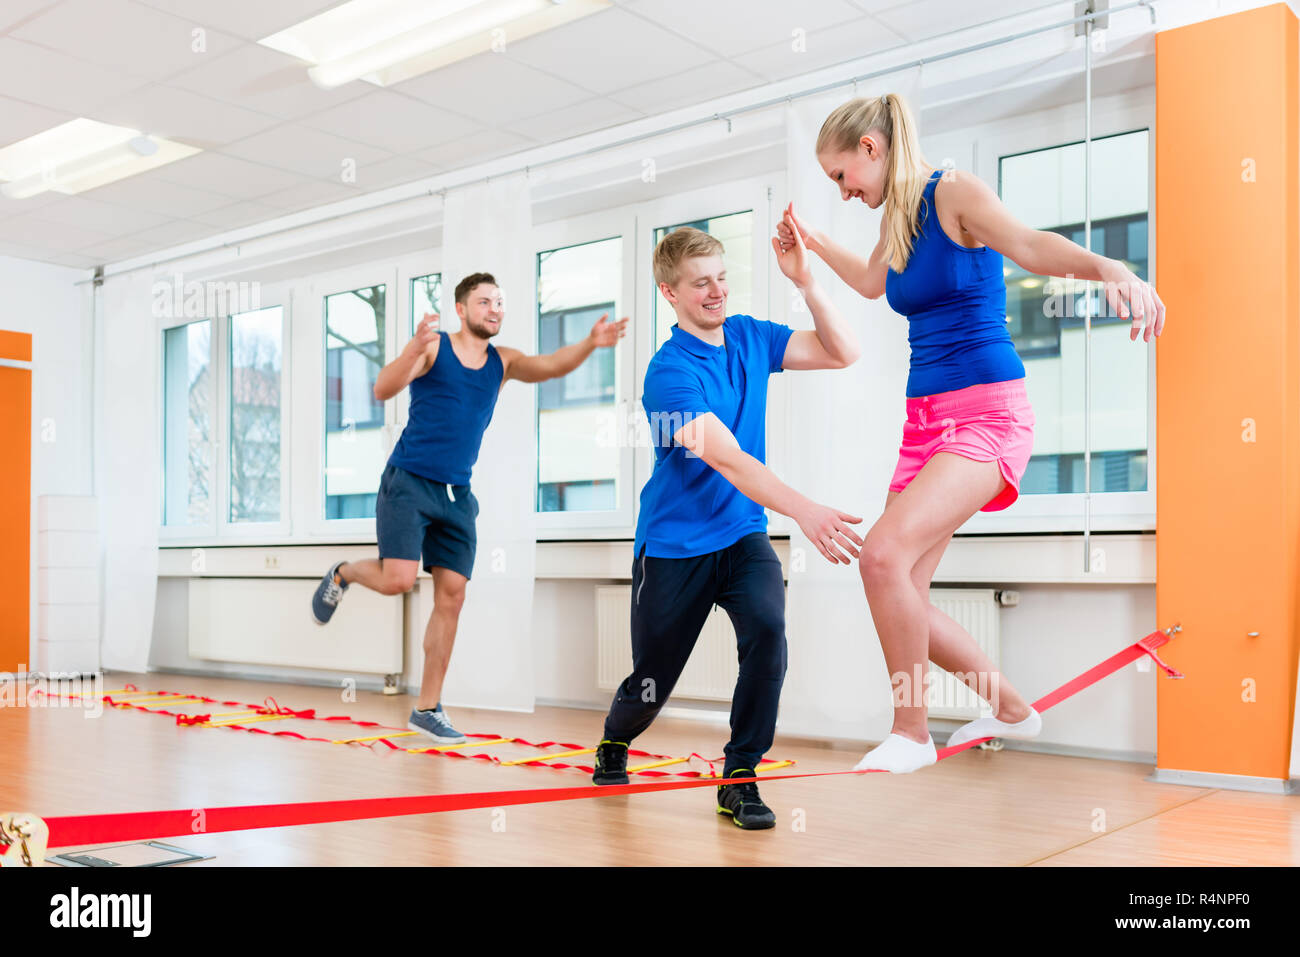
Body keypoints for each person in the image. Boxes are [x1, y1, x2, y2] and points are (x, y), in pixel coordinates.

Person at [777, 92, 1165, 772]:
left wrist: (1108, 265)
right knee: (902, 595)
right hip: (923, 420)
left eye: (843, 176)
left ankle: (911, 731)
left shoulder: (953, 192)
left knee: (880, 559)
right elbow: (873, 283)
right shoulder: (897, 220)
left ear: (872, 148)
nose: (843, 192)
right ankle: (1011, 705)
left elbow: (1029, 244)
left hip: (986, 412)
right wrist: (810, 248)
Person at [591, 225, 864, 830]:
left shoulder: (748, 337)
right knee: (652, 682)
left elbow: (843, 351)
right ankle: (614, 740)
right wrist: (806, 509)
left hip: (743, 534)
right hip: (674, 546)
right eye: (699, 283)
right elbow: (727, 458)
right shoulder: (666, 375)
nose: (716, 292)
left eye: (720, 277)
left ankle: (739, 775)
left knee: (768, 631)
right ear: (670, 292)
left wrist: (806, 280)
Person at [311, 271, 628, 744]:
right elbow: (382, 389)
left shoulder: (504, 362)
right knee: (398, 579)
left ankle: (428, 708)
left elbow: (554, 365)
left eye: (499, 302)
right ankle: (344, 574)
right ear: (462, 309)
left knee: (452, 596)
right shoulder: (434, 348)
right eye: (485, 302)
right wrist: (412, 350)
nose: (495, 309)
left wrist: (590, 343)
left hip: (457, 495)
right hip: (410, 482)